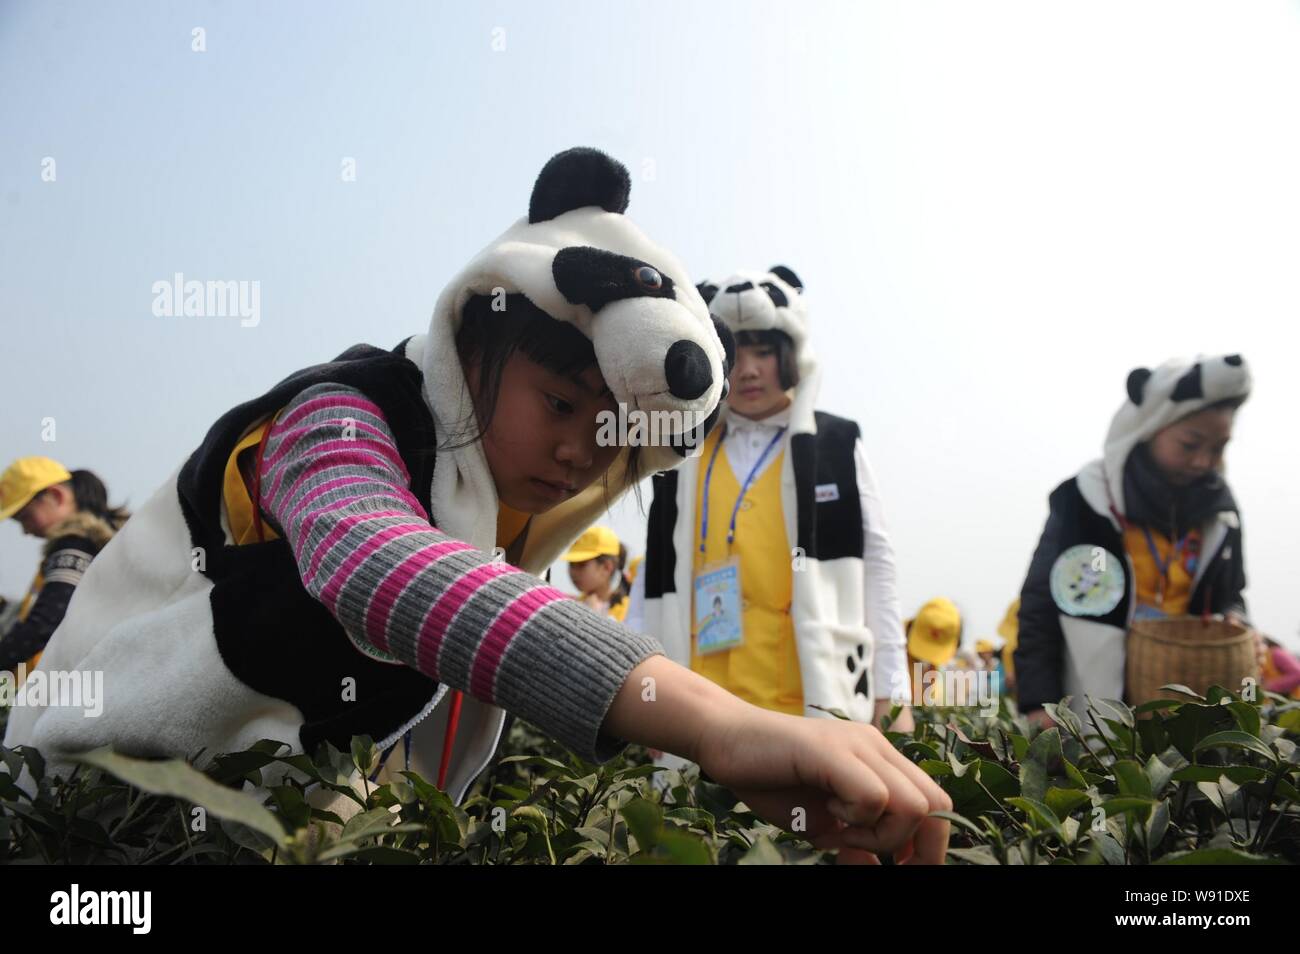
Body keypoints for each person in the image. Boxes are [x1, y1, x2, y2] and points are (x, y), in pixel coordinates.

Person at [4, 149, 949, 863]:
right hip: (98, 807)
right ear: (471, 340)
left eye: (614, 429)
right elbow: (378, 568)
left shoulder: (497, 519)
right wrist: (718, 726)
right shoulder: (336, 418)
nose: (583, 450)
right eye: (561, 404)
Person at [636, 266, 912, 732]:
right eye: (734, 354)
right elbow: (653, 573)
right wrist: (643, 688)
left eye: (763, 352)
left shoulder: (835, 443)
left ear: (790, 355)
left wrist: (892, 691)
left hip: (811, 703)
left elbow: (877, 565)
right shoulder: (680, 452)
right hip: (699, 709)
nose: (747, 370)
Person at [1015, 354, 1252, 725]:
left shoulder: (1220, 515)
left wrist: (1236, 619)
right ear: (1149, 428)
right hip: (1091, 700)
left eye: (1218, 447)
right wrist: (1037, 702)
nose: (1203, 461)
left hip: (1180, 704)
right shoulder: (1088, 499)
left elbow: (1231, 593)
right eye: (1190, 444)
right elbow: (1040, 604)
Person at [0, 457, 129, 677]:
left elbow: (44, 623)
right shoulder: (96, 544)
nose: (26, 531)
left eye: (25, 517)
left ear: (57, 496)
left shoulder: (76, 544)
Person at [563, 525, 631, 622]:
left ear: (606, 567)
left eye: (581, 564)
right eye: (571, 564)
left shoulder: (629, 610)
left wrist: (591, 616)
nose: (574, 572)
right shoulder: (571, 606)